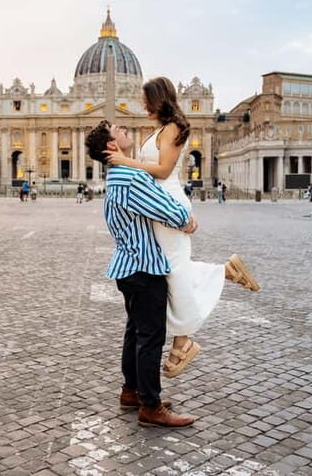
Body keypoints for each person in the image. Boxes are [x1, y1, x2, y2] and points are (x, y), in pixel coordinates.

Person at [105, 76, 259, 379]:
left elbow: (162, 170)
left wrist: (126, 161)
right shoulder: (159, 130)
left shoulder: (174, 128)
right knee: (173, 269)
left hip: (169, 202)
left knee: (173, 271)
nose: (141, 104)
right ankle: (223, 275)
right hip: (158, 202)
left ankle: (183, 341)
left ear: (157, 99)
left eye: (145, 99)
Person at [85, 120, 197, 428]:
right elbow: (167, 209)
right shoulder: (130, 177)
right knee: (150, 337)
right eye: (118, 129)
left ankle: (131, 391)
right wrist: (185, 217)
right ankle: (151, 405)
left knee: (135, 333)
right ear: (112, 146)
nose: (124, 129)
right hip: (144, 266)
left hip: (127, 265)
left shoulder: (117, 176)